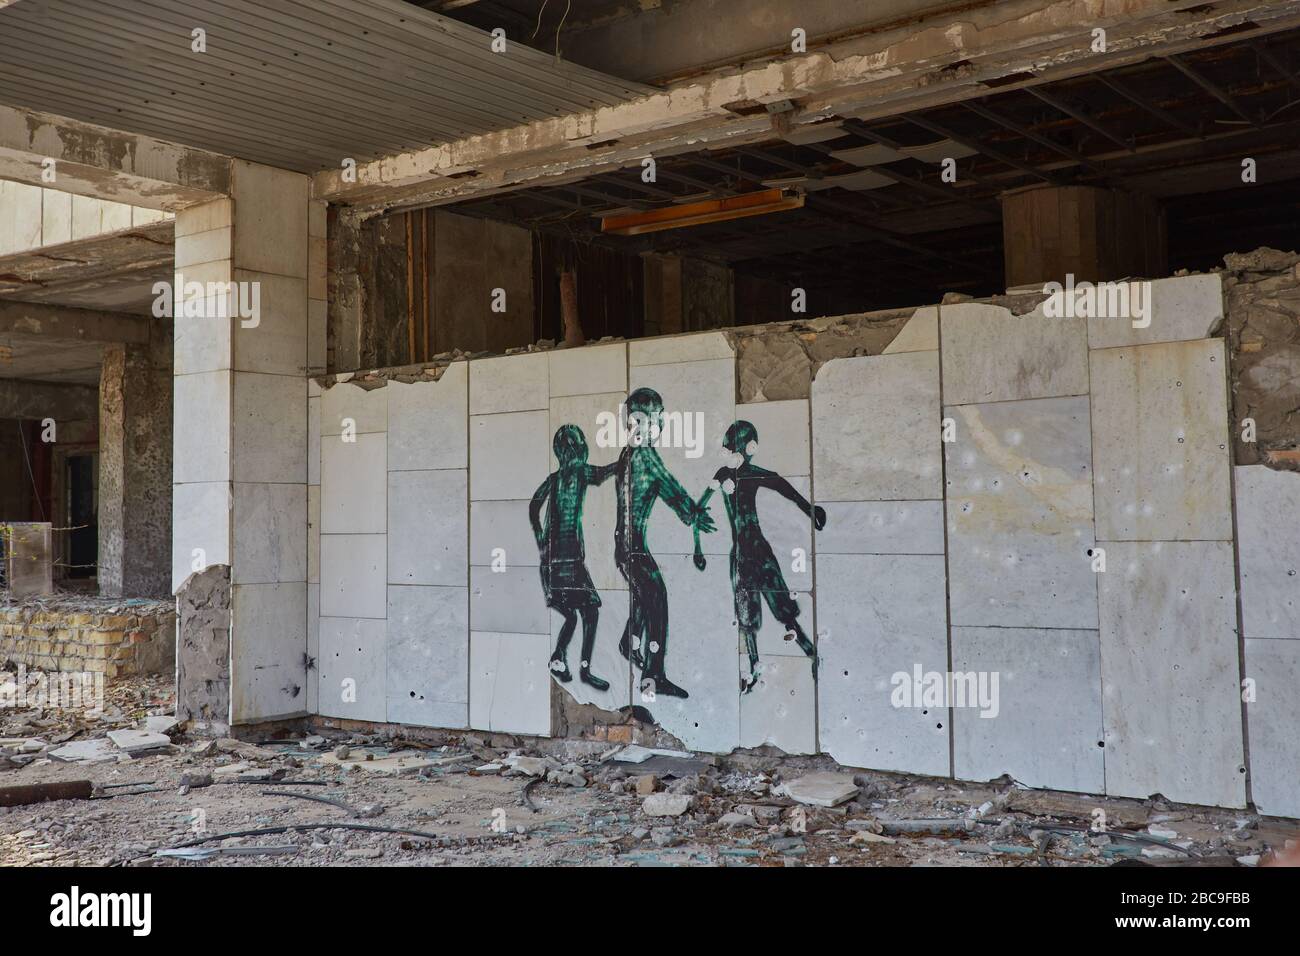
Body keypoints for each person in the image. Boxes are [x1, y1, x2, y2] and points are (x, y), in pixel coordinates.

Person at [614, 387, 715, 699]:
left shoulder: (627, 454)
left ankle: (629, 640)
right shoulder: (645, 455)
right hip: (634, 548)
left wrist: (691, 512)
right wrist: (693, 513)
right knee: (656, 599)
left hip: (625, 547)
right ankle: (654, 674)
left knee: (649, 596)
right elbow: (670, 487)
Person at [712, 420, 826, 693]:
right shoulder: (730, 474)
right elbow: (779, 483)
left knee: (774, 611)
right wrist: (808, 509)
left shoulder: (742, 474)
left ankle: (806, 654)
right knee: (749, 616)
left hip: (751, 551)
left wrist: (809, 509)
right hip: (748, 552)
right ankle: (758, 666)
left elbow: (778, 483)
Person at [529, 424, 616, 691]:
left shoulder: (555, 478)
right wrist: (625, 458)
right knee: (589, 612)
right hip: (568, 562)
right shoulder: (579, 473)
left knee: (573, 616)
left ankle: (559, 656)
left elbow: (534, 505)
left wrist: (541, 540)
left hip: (551, 564)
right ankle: (584, 669)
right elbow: (602, 473)